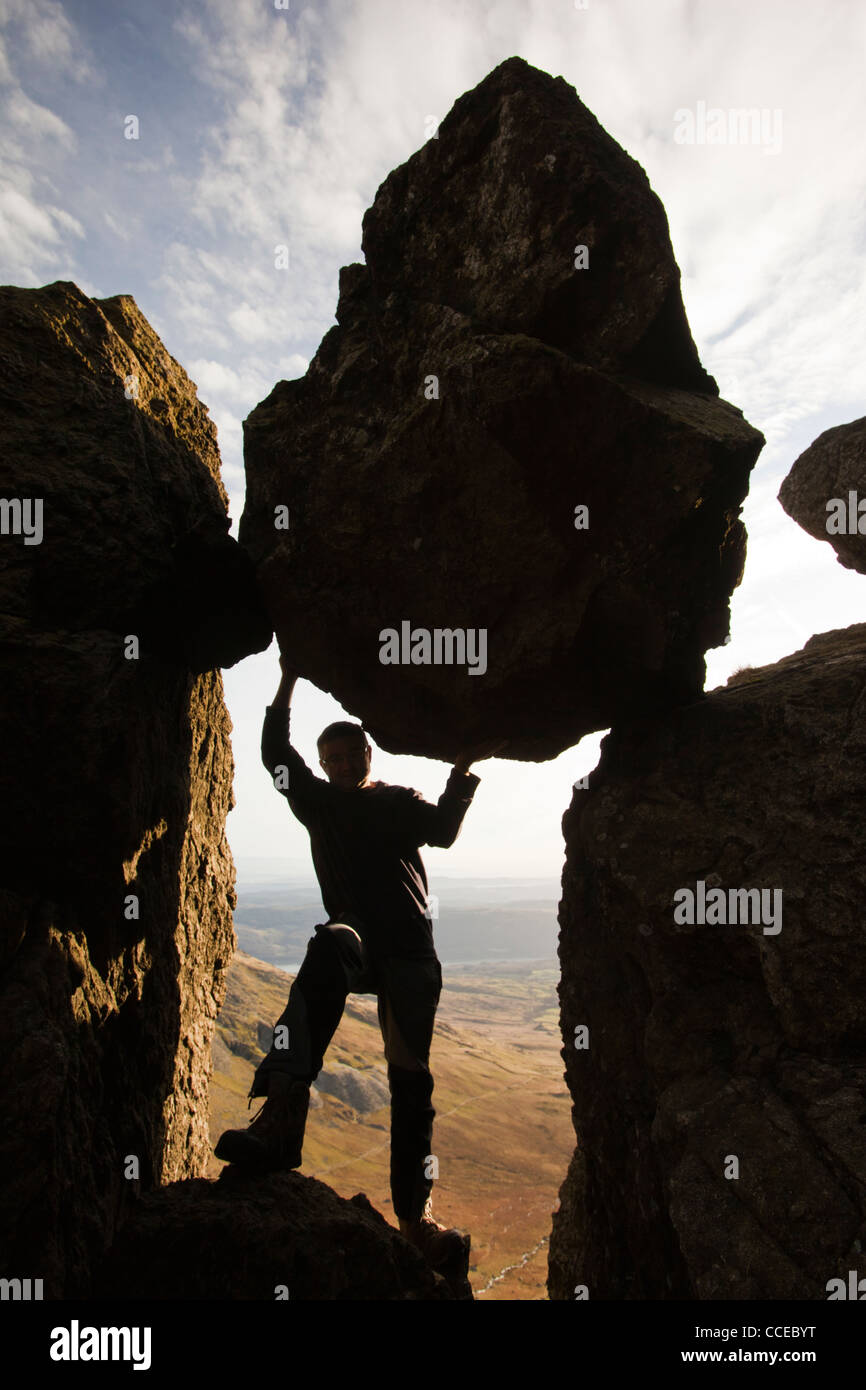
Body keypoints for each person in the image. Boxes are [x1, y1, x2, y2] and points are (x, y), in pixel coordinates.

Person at [215, 649, 506, 1268]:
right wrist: (288, 680)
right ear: (323, 765)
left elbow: (446, 830)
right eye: (334, 758)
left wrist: (464, 764)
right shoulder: (316, 802)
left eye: (354, 754)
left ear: (368, 757)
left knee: (411, 1081)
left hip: (409, 949)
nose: (344, 764)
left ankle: (414, 1218)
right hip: (360, 939)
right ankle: (281, 1117)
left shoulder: (398, 799)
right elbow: (275, 756)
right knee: (330, 945)